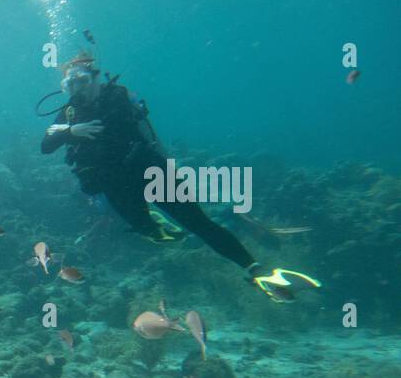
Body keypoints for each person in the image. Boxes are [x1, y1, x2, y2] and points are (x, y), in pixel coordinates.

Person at [41, 52, 319, 302]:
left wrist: (171, 170)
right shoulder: (69, 113)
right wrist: (70, 131)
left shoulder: (117, 96)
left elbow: (140, 130)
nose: (77, 89)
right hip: (115, 185)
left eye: (82, 81)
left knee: (199, 223)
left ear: (95, 77)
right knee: (147, 230)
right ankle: (156, 222)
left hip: (150, 172)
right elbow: (45, 145)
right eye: (70, 84)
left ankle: (255, 269)